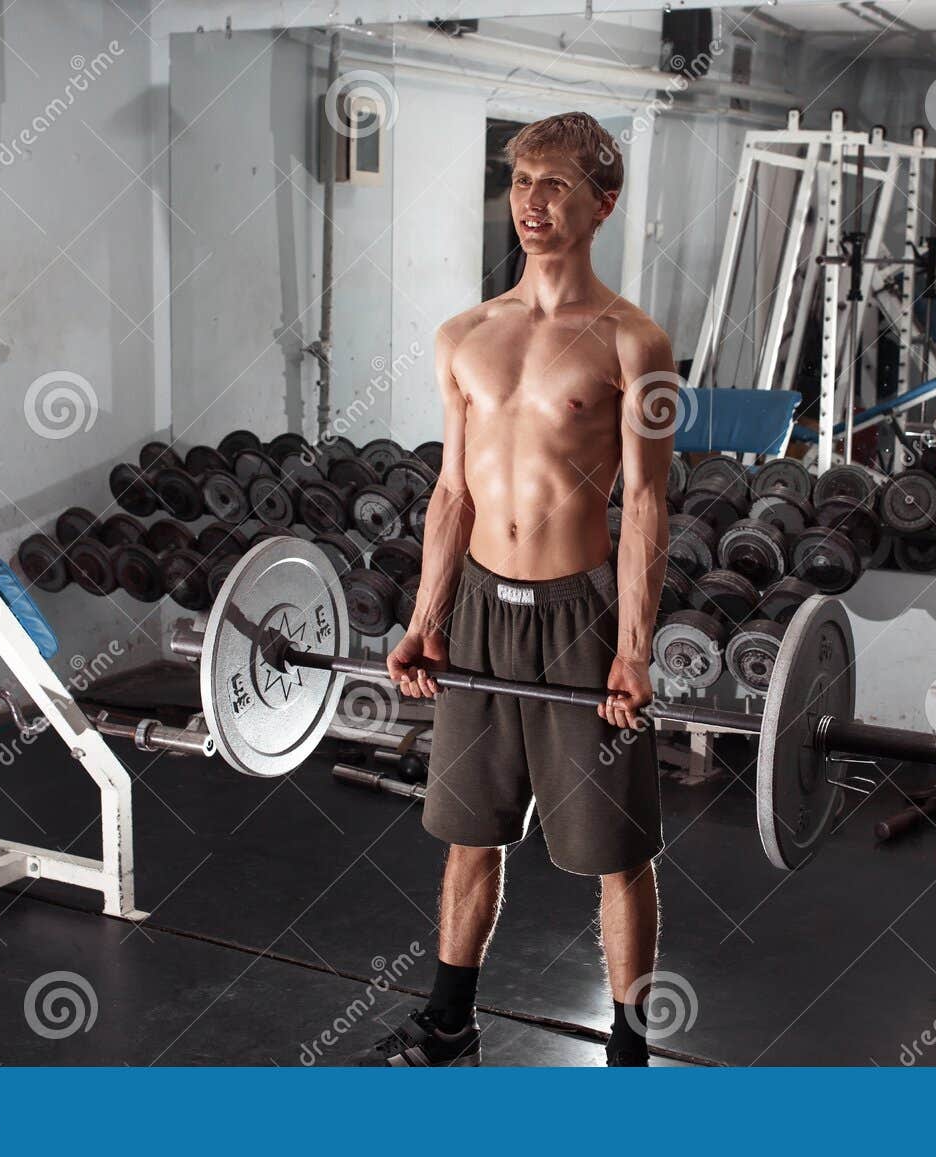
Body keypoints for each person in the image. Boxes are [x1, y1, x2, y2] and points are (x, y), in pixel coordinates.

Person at [359, 112, 675, 1067]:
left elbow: (650, 504)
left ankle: (629, 1050)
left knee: (617, 852)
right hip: (480, 613)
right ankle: (450, 1023)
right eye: (521, 180)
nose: (531, 201)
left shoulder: (636, 342)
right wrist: (425, 621)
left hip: (580, 616)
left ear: (602, 203)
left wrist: (633, 646)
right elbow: (451, 491)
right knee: (468, 834)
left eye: (555, 185)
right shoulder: (466, 334)